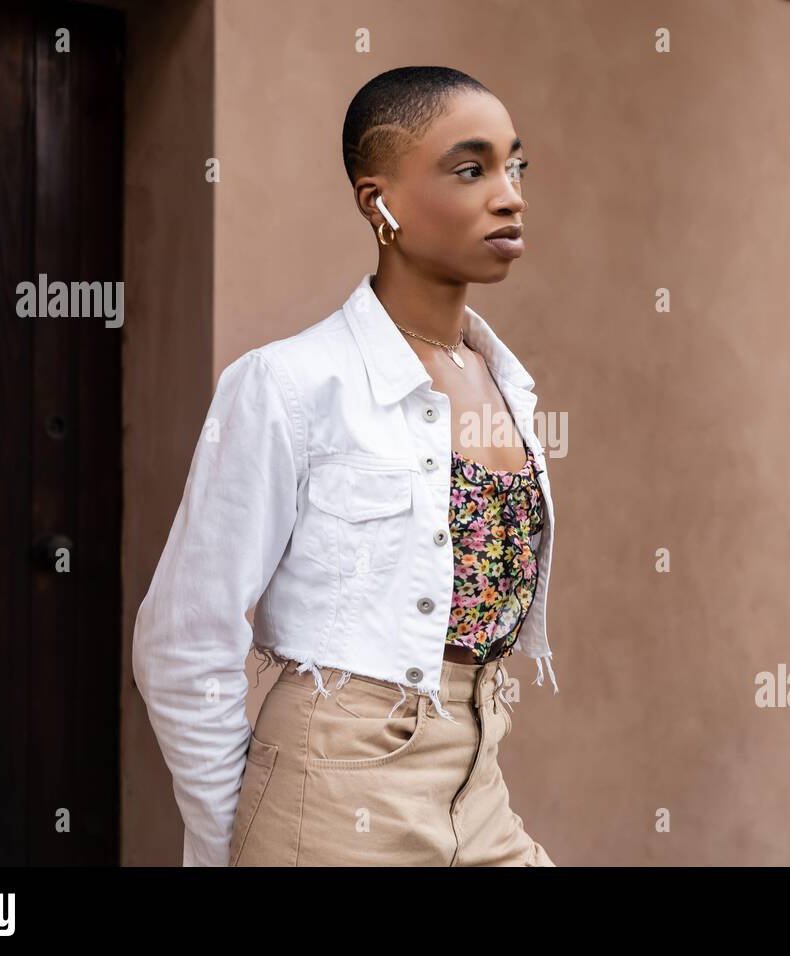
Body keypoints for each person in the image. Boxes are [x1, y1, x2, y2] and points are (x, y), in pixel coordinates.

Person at [132, 66, 558, 867]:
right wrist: (244, 833)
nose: (510, 195)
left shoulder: (506, 381)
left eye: (515, 166)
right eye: (471, 170)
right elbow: (182, 641)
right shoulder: (289, 383)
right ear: (379, 203)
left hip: (479, 786)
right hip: (327, 803)